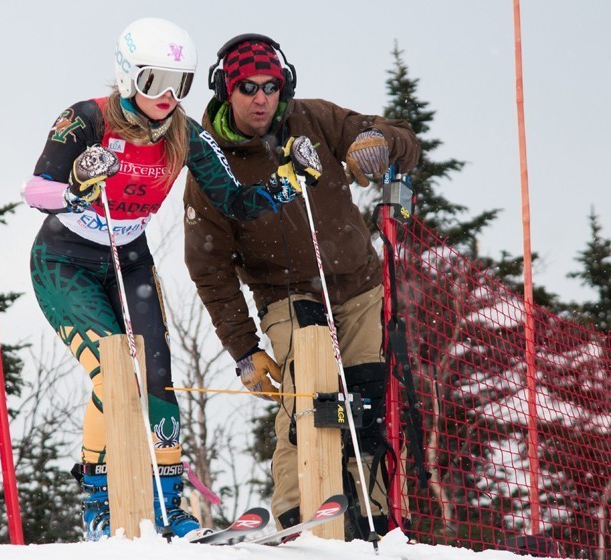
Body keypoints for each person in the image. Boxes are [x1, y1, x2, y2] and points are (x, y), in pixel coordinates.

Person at [22, 19, 321, 541]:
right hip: (66, 260)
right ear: (128, 76)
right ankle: (97, 505)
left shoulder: (186, 134)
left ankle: (168, 506)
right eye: (153, 80)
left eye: (178, 83)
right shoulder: (86, 119)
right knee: (114, 372)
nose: (166, 95)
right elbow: (34, 190)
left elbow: (235, 202)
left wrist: (287, 182)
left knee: (157, 376)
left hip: (129, 258)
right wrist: (75, 187)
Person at [183, 34, 420, 538]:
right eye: (248, 88)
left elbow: (402, 138)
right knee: (309, 401)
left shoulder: (314, 118)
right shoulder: (210, 163)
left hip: (358, 288)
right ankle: (296, 520)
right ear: (226, 91)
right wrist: (245, 350)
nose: (261, 99)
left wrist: (375, 143)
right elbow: (209, 267)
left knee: (366, 406)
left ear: (284, 86)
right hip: (285, 295)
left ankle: (371, 520)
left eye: (271, 87)